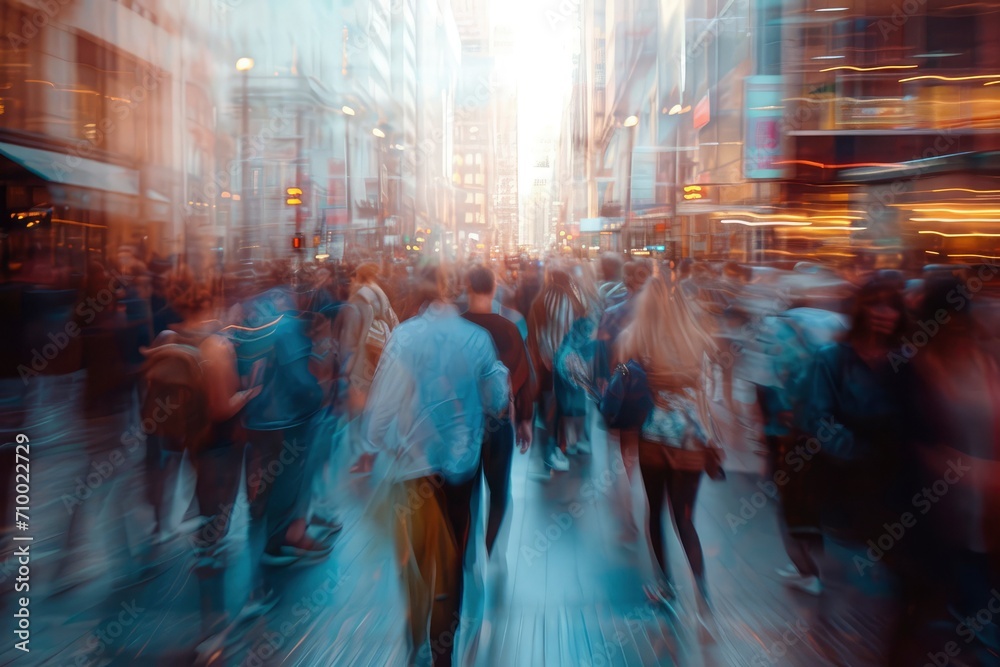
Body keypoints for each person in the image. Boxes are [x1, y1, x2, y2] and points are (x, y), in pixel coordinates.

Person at [362, 265, 510, 667]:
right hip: (460, 470)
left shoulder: (404, 337)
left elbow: (381, 412)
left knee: (417, 556)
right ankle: (444, 648)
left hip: (413, 470)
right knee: (452, 563)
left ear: (417, 294)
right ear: (453, 293)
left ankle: (416, 636)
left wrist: (374, 443)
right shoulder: (477, 339)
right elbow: (497, 399)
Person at [614, 273, 720, 625]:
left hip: (653, 439)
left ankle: (666, 586)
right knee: (685, 518)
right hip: (690, 439)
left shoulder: (634, 338)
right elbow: (708, 393)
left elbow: (622, 380)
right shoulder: (697, 339)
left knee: (655, 512)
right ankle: (703, 590)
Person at [462, 265, 534, 555]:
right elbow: (523, 375)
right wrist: (525, 420)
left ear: (467, 288)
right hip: (498, 422)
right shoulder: (509, 329)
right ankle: (491, 549)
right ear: (494, 290)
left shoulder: (458, 327)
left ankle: (465, 551)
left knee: (465, 489)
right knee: (499, 490)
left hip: (463, 423)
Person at [526, 265, 587, 471]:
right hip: (564, 358)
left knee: (548, 404)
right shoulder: (571, 299)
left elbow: (534, 333)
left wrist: (540, 356)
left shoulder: (540, 300)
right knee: (561, 404)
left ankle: (550, 449)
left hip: (544, 360)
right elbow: (580, 324)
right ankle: (561, 447)